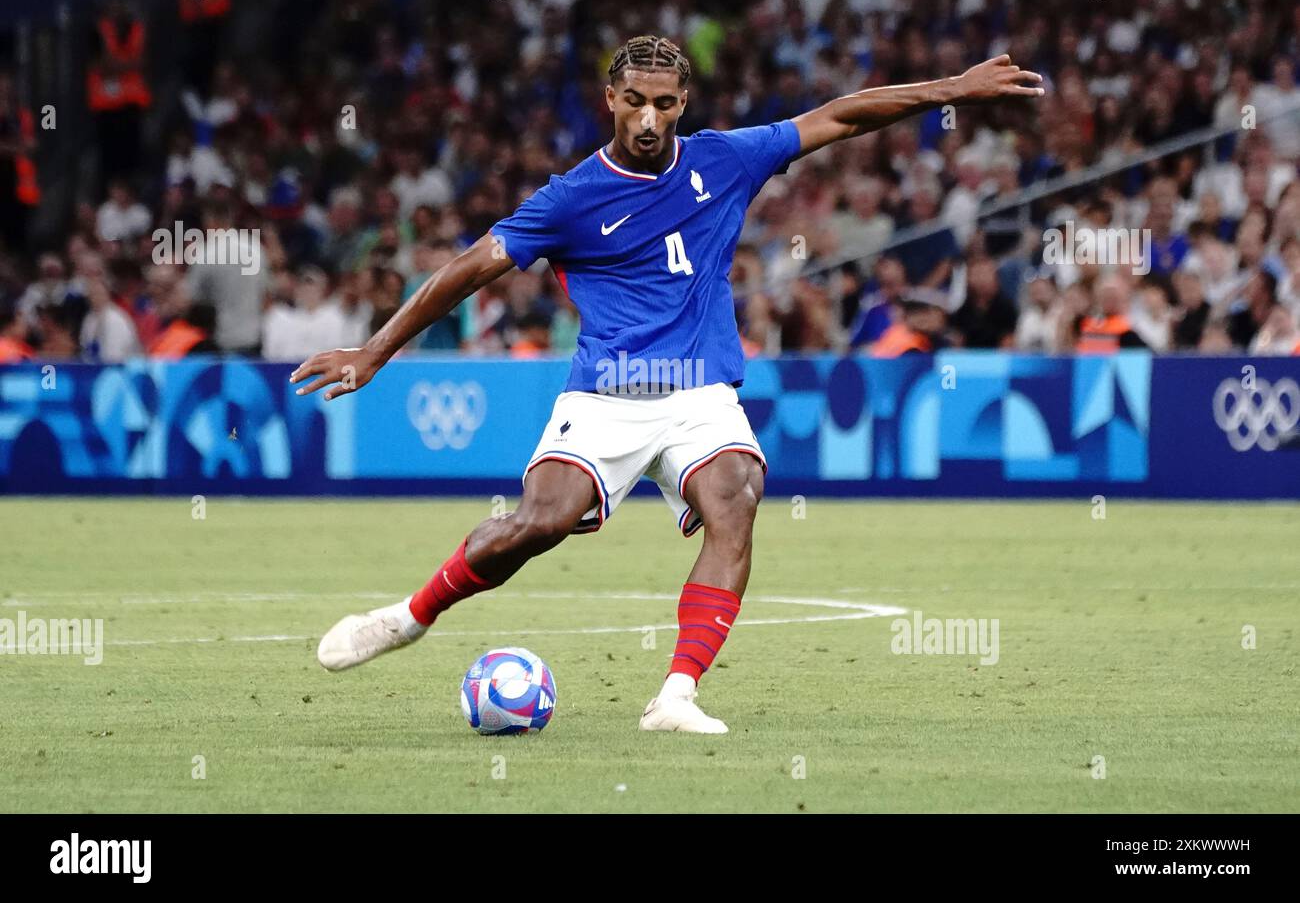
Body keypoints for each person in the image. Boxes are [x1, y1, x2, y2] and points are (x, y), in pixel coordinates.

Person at [291, 36, 1042, 733]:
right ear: (609, 98)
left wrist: (953, 88)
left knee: (736, 493)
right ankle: (410, 617)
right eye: (634, 101)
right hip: (606, 397)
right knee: (537, 526)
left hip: (700, 396)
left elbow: (840, 116)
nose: (649, 118)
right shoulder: (571, 197)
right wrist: (376, 350)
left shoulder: (727, 159)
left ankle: (676, 695)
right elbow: (468, 269)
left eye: (666, 103)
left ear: (683, 103)